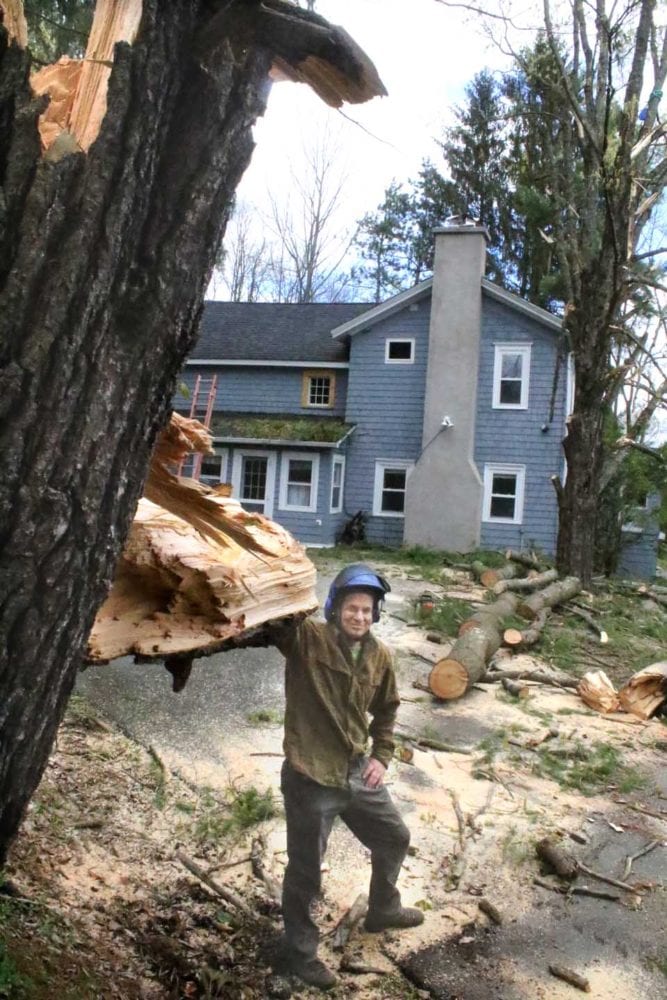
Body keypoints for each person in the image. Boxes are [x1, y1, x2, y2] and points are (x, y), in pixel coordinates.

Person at [271, 563, 423, 991]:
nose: (359, 617)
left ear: (376, 614)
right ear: (335, 607)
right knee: (305, 873)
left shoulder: (380, 656)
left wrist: (382, 755)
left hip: (357, 772)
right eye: (352, 608)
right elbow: (273, 623)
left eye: (367, 610)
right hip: (311, 775)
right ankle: (300, 955)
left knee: (395, 837)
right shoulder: (306, 640)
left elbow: (389, 709)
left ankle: (383, 908)